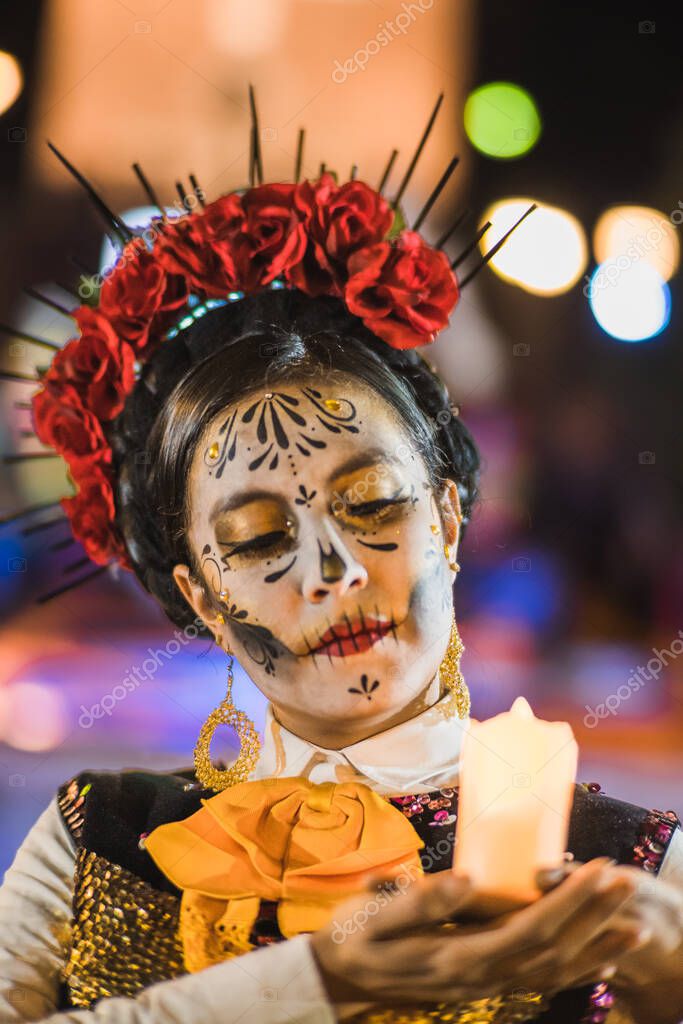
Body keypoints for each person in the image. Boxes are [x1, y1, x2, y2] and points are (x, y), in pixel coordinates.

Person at [1, 122, 682, 1024]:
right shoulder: (103, 837)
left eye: (372, 506)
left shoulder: (621, 869)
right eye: (255, 538)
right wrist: (322, 983)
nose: (334, 569)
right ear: (202, 594)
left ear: (444, 517)